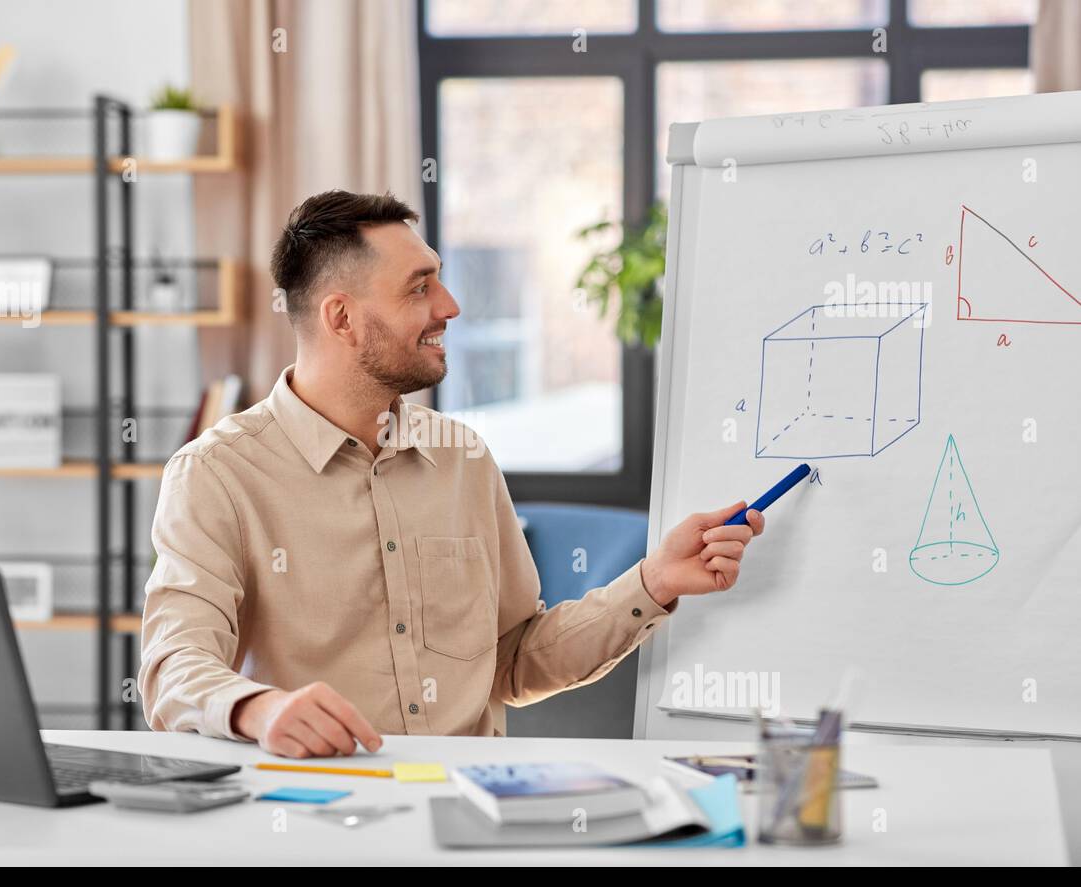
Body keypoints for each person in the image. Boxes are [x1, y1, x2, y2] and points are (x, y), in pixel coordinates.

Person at [139, 189, 764, 758]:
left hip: (473, 810)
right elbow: (174, 665)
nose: (451, 306)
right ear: (341, 318)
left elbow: (513, 661)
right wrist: (259, 707)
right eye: (419, 288)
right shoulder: (216, 474)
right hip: (314, 815)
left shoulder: (464, 459)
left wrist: (652, 583)